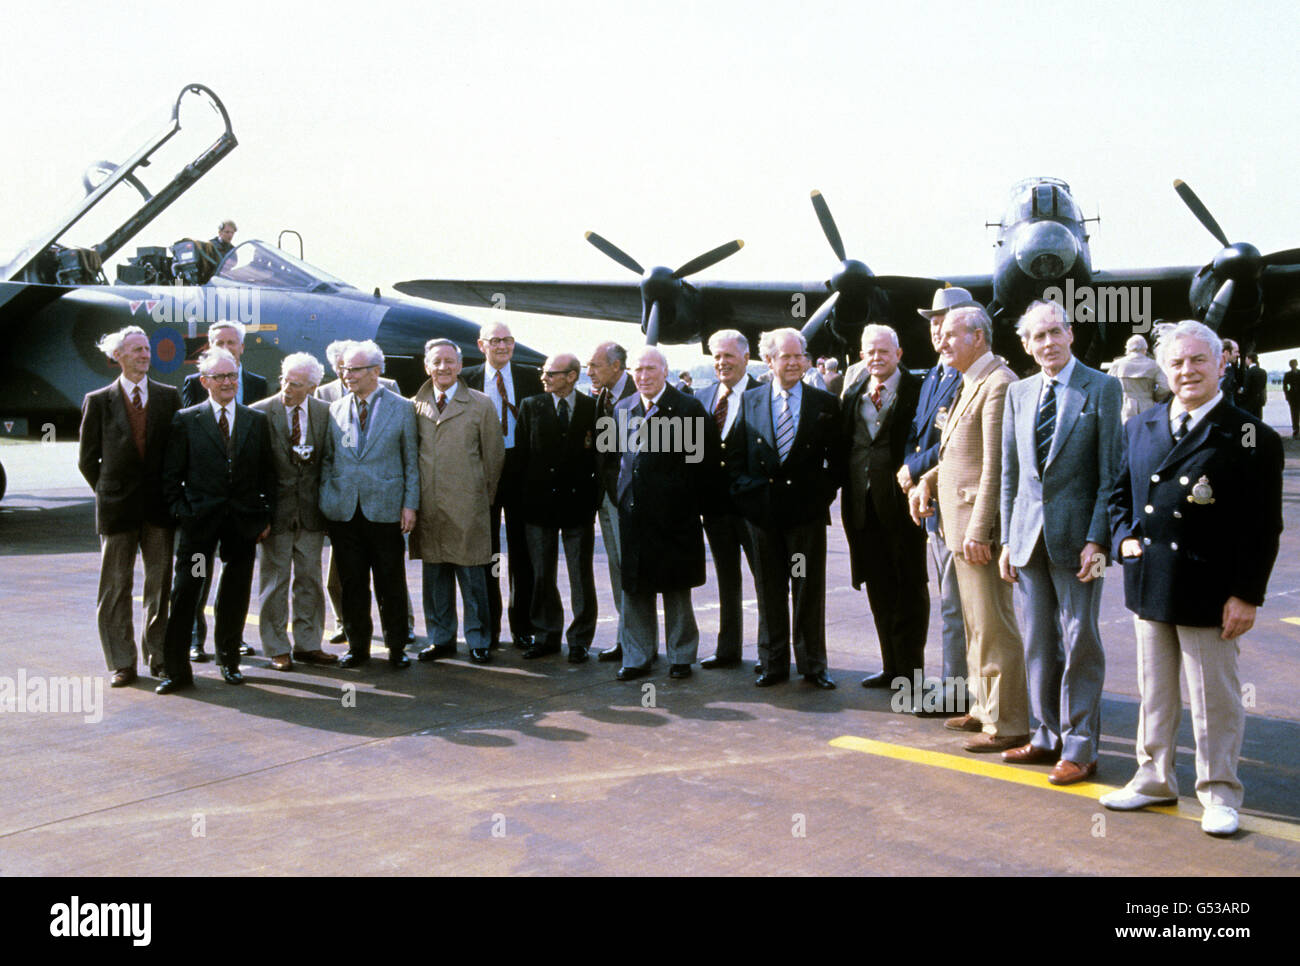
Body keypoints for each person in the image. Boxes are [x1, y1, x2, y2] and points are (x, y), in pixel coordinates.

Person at [1102, 320, 1283, 836]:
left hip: (1210, 588)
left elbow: (1263, 525)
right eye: (1177, 362)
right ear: (1164, 368)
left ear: (1220, 363)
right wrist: (1122, 540)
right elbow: (1119, 496)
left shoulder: (1250, 434)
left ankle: (1220, 792)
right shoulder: (1141, 426)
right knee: (1154, 691)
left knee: (1213, 699)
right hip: (1151, 581)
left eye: (1198, 360)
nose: (1187, 371)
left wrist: (1247, 594)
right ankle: (1154, 776)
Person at [998, 301, 1122, 784]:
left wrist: (1098, 539)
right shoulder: (1020, 393)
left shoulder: (1103, 388)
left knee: (1080, 643)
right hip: (1028, 540)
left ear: (1070, 334)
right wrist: (1009, 538)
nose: (1047, 343)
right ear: (1026, 346)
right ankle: (1045, 734)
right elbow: (1012, 474)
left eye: (1054, 332)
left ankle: (1081, 747)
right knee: (1038, 644)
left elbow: (1111, 474)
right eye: (1037, 337)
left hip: (1078, 544)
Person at [909, 305, 1029, 752]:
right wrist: (927, 480)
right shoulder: (972, 381)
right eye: (939, 335)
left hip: (976, 527)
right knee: (975, 626)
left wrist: (981, 530)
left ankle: (1009, 722)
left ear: (978, 337)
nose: (940, 342)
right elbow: (957, 453)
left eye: (950, 334)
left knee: (994, 626)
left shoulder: (999, 384)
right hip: (955, 523)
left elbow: (999, 465)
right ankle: (983, 708)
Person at [156, 348, 275, 693]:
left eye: (232, 376)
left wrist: (264, 515)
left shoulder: (255, 420)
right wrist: (183, 511)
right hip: (199, 529)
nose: (228, 383)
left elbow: (267, 473)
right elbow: (171, 475)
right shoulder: (187, 419)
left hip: (241, 527)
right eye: (220, 377)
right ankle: (176, 671)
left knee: (235, 593)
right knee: (188, 592)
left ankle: (229, 660)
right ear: (204, 381)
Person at [732, 328, 844, 690]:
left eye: (800, 356)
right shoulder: (750, 400)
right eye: (786, 356)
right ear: (769, 361)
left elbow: (837, 461)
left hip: (805, 518)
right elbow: (734, 456)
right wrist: (748, 495)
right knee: (769, 590)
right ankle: (773, 662)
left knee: (808, 589)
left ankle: (813, 665)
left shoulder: (824, 402)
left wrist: (819, 496)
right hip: (763, 517)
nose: (795, 363)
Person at [79, 326, 183, 686]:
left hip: (158, 511)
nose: (144, 355)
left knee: (159, 587)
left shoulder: (169, 398)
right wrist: (109, 492)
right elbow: (87, 460)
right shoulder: (98, 401)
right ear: (117, 356)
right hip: (117, 511)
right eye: (136, 350)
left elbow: (177, 454)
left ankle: (159, 657)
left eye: (146, 349)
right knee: (114, 588)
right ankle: (122, 662)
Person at [612, 346, 719, 680]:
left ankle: (681, 655)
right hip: (634, 517)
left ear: (665, 371)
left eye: (650, 369)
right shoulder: (623, 409)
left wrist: (685, 504)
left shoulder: (688, 409)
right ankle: (637, 656)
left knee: (676, 588)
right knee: (635, 588)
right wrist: (622, 496)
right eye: (637, 370)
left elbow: (704, 465)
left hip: (675, 517)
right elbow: (618, 461)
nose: (643, 376)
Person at [897, 287, 977, 713]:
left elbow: (955, 441)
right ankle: (956, 682)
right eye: (932, 323)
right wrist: (914, 474)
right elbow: (919, 431)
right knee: (951, 602)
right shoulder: (934, 375)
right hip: (932, 498)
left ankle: (958, 687)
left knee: (957, 604)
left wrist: (915, 469)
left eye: (944, 322)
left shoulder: (971, 376)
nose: (936, 331)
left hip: (957, 503)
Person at [319, 340, 419, 669]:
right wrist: (327, 499)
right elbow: (328, 459)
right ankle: (357, 646)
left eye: (356, 369)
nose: (348, 375)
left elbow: (410, 462)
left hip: (386, 509)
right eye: (345, 368)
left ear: (376, 372)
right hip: (345, 511)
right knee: (351, 584)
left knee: (390, 581)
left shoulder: (402, 407)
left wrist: (410, 505)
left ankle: (396, 647)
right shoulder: (333, 408)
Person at [842, 324, 927, 691]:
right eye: (869, 352)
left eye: (883, 351)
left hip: (903, 508)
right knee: (878, 589)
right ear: (862, 356)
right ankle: (890, 666)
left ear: (898, 354)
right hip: (862, 508)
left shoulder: (918, 391)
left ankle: (911, 671)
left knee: (909, 587)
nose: (876, 358)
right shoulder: (852, 396)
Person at [409, 339, 504, 665]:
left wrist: (480, 499)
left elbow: (494, 458)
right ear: (427, 367)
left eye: (450, 361)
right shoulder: (415, 406)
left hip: (468, 508)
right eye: (437, 362)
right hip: (430, 509)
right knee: (434, 579)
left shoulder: (480, 404)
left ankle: (478, 639)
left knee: (472, 578)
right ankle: (440, 639)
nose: (443, 368)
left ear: (460, 366)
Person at [180, 320, 269, 661]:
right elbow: (188, 439)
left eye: (232, 342)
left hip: (241, 510)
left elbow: (261, 450)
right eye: (218, 342)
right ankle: (193, 637)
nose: (226, 347)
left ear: (242, 348)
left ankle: (232, 643)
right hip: (204, 510)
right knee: (198, 575)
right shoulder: (193, 384)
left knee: (236, 583)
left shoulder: (258, 385)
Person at [460, 320, 544, 649]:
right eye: (494, 341)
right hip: (482, 472)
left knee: (523, 553)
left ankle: (522, 625)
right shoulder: (466, 381)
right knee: (487, 552)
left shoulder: (529, 377)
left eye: (507, 340)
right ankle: (489, 627)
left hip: (520, 471)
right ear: (481, 346)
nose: (502, 346)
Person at [251, 353, 335, 671]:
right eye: (285, 379)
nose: (287, 387)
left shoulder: (326, 414)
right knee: (275, 581)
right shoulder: (260, 413)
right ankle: (276, 647)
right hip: (276, 515)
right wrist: (260, 516)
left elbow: (330, 463)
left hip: (312, 515)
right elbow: (253, 470)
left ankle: (309, 644)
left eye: (296, 384)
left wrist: (328, 511)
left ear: (313, 386)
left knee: (310, 580)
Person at [517, 353, 601, 662]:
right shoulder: (532, 407)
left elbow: (601, 458)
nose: (544, 378)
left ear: (571, 376)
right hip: (539, 506)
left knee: (580, 573)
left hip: (578, 505)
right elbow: (522, 455)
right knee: (542, 574)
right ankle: (546, 635)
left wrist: (594, 500)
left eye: (551, 373)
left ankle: (580, 639)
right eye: (544, 373)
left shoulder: (593, 409)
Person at [694, 329, 769, 670]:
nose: (722, 363)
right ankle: (728, 649)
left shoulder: (764, 394)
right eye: (717, 356)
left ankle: (771, 652)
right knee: (726, 578)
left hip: (754, 508)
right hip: (715, 507)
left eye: (728, 356)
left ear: (745, 357)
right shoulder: (703, 396)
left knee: (765, 580)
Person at [587, 341, 637, 662]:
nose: (589, 372)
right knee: (617, 568)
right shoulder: (603, 397)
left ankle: (636, 641)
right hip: (606, 498)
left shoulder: (637, 395)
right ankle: (626, 636)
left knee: (631, 569)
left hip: (628, 498)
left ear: (616, 366)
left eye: (595, 366)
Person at [1109, 334, 1171, 423]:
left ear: (1128, 348)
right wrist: (1155, 397)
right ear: (1145, 349)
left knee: (1125, 433)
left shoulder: (1117, 364)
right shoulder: (1154, 365)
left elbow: (1108, 386)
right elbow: (1165, 386)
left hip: (1123, 406)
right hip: (1147, 405)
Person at [1240, 352, 1267, 419]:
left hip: (1249, 402)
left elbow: (1246, 388)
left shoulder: (1249, 372)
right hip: (1259, 401)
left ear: (1250, 359)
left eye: (1246, 359)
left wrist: (1241, 393)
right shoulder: (1263, 372)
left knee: (1250, 421)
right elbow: (1263, 387)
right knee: (1258, 419)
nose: (1245, 361)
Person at [1284, 358, 1300, 438]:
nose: (1293, 365)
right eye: (1292, 364)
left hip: (1297, 395)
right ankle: (1296, 429)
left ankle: (1296, 429)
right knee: (1294, 413)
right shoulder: (1287, 374)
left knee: (1295, 412)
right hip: (1293, 396)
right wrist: (1287, 395)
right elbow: (1285, 385)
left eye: (1294, 364)